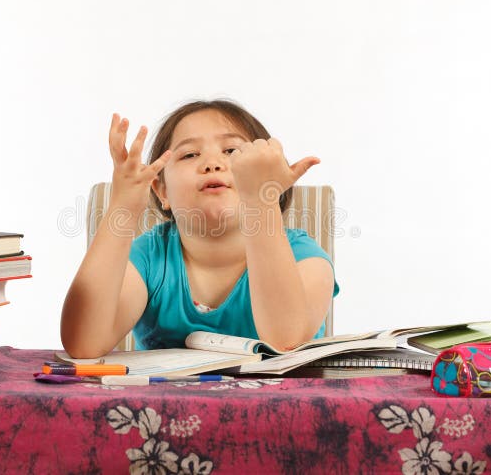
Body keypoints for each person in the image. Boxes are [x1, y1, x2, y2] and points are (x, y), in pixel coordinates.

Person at [61, 99, 340, 357]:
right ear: (162, 191)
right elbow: (84, 343)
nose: (211, 164)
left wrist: (261, 200)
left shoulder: (304, 256)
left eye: (231, 151)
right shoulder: (148, 257)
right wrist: (123, 205)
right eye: (190, 155)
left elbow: (285, 342)